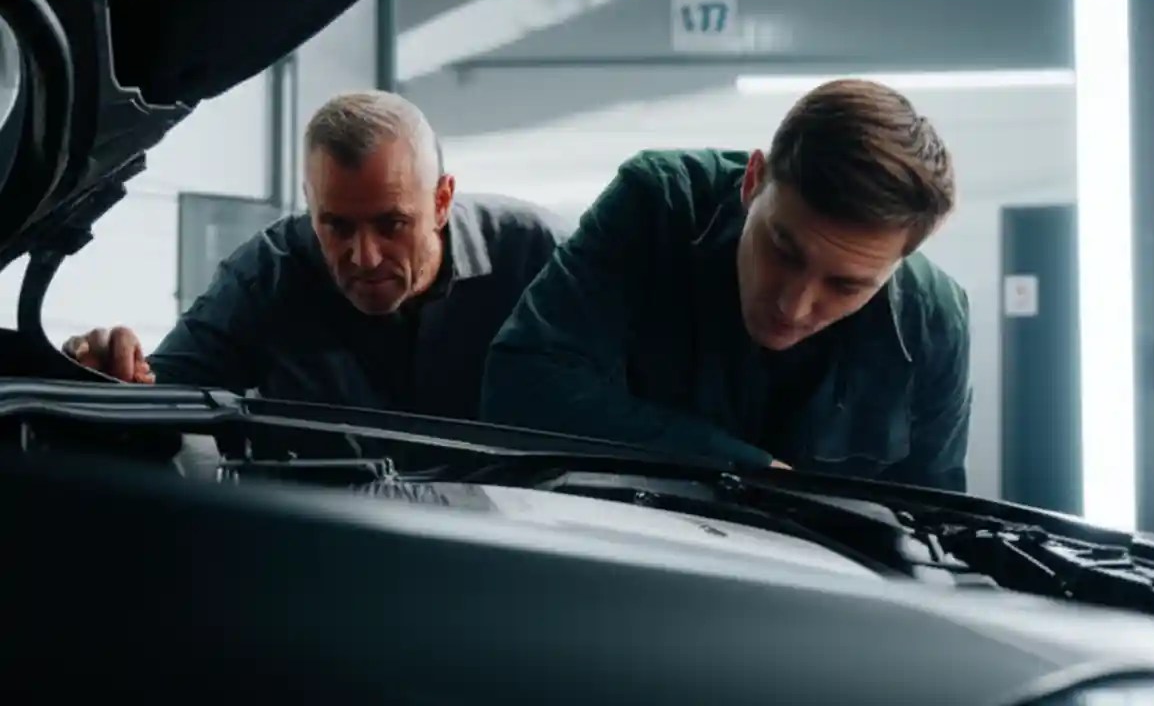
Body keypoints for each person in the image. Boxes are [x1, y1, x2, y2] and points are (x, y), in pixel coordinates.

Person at [481, 79, 971, 491]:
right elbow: (521, 389)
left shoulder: (933, 324)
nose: (794, 306)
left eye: (845, 286)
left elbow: (935, 525)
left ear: (898, 264)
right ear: (753, 179)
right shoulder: (658, 204)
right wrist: (745, 471)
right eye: (783, 250)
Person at [64, 90, 570, 421]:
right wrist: (109, 373)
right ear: (311, 205)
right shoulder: (267, 276)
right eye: (337, 225)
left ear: (440, 201)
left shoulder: (543, 259)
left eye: (392, 224)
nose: (365, 257)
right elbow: (160, 400)